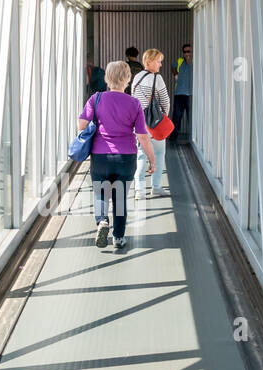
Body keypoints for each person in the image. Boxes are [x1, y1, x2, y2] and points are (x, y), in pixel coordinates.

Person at [77, 60, 155, 250]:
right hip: (126, 158)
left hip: (101, 157)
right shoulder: (134, 103)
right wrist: (152, 160)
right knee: (120, 198)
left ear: (106, 78)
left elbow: (81, 125)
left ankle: (102, 220)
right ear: (127, 79)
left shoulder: (95, 99)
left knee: (101, 193)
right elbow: (143, 136)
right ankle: (118, 238)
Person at [131, 48, 170, 198]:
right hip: (154, 122)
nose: (160, 65)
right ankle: (155, 187)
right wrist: (164, 118)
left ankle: (139, 190)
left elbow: (134, 99)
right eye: (158, 61)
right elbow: (165, 101)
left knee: (141, 154)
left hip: (139, 122)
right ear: (149, 62)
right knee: (159, 153)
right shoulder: (156, 78)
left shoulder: (137, 77)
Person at [172, 43, 193, 141]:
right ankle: (173, 137)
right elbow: (173, 66)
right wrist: (175, 74)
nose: (187, 54)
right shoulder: (180, 61)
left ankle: (193, 137)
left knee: (192, 116)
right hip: (179, 93)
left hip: (191, 94)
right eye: (185, 52)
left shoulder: (195, 62)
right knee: (177, 116)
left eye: (189, 51)